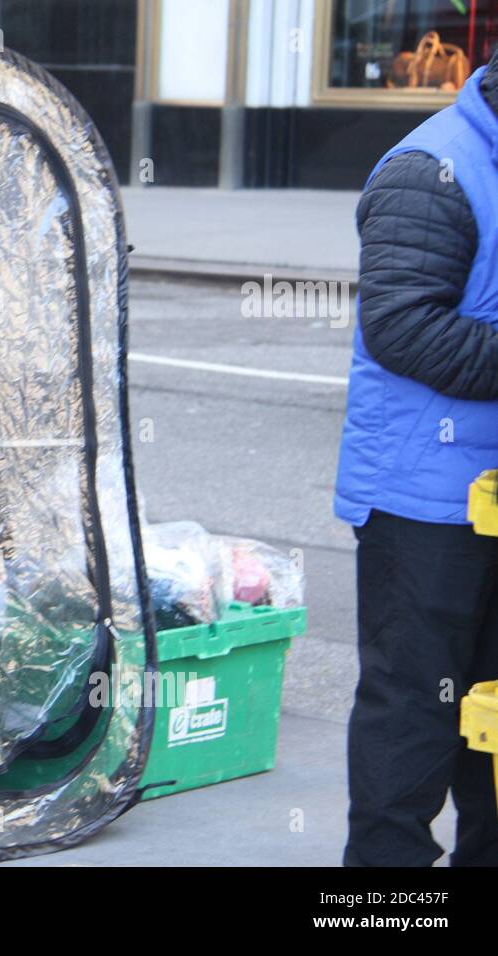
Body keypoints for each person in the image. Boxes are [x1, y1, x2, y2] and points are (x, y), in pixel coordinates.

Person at [336, 47, 498, 866]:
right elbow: (401, 325)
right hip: (424, 504)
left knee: (494, 739)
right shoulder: (429, 169)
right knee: (411, 729)